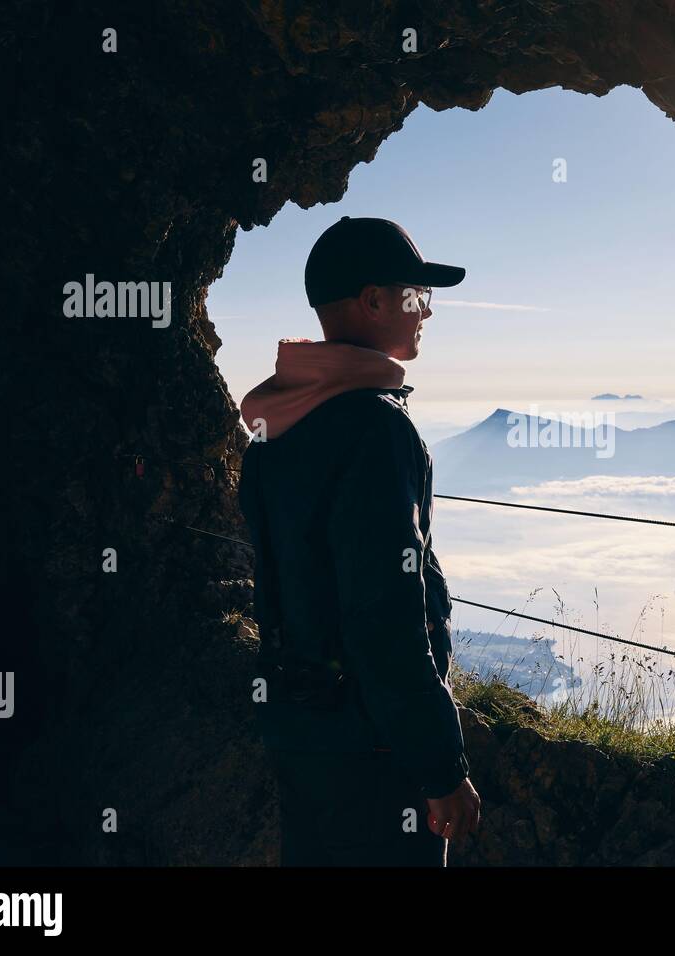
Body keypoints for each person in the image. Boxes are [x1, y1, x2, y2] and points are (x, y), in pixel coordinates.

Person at [237, 216, 481, 866]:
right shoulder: (376, 430)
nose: (427, 308)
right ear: (373, 301)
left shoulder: (274, 426)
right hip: (370, 744)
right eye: (414, 293)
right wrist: (440, 767)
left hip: (297, 727)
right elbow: (384, 618)